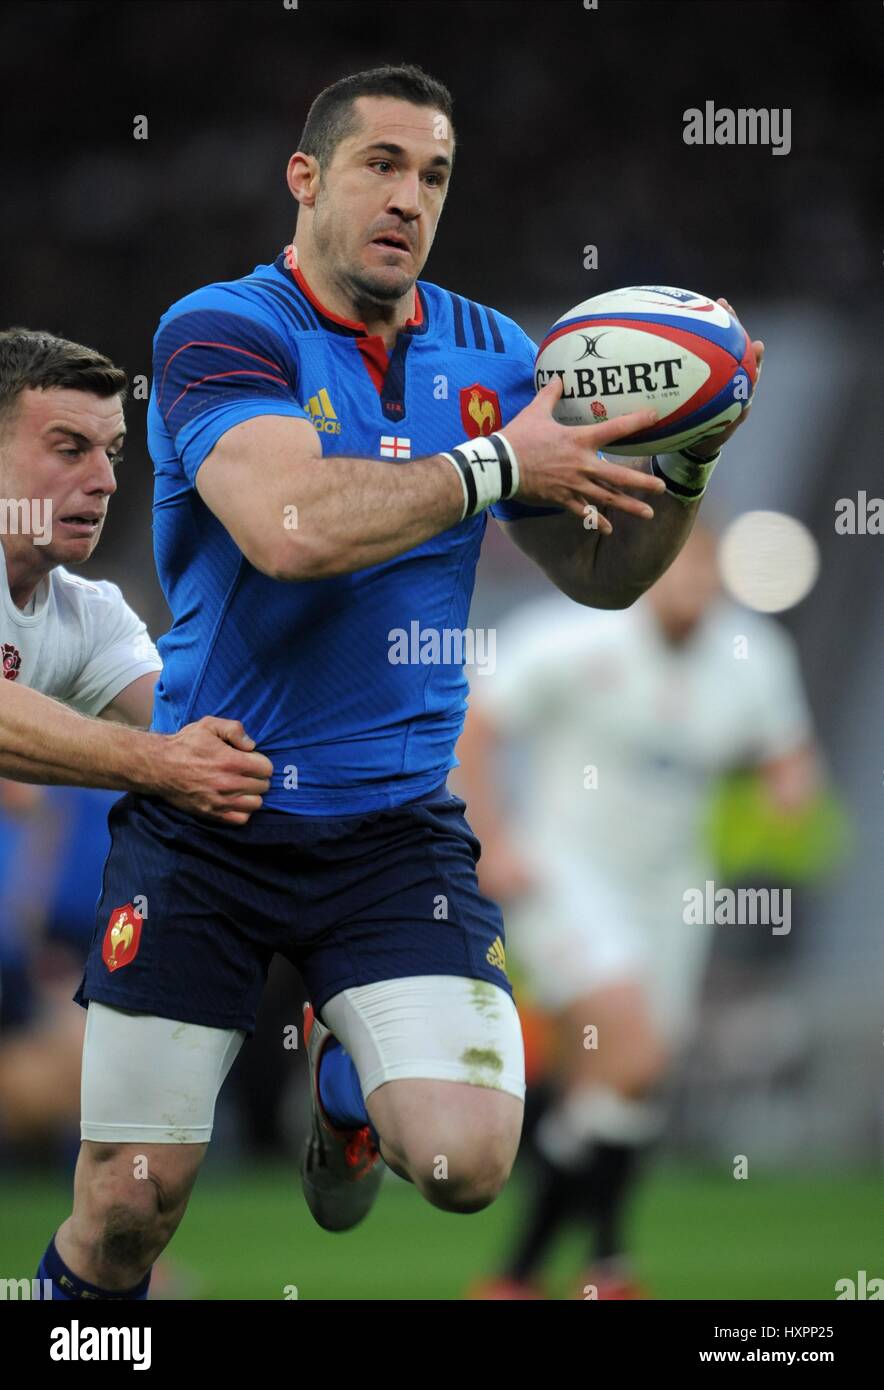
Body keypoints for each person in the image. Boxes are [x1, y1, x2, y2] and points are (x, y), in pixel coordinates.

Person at [42, 63, 761, 1301]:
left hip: (391, 833)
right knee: (126, 1207)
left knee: (468, 1162)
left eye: (432, 175)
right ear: (306, 177)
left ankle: (345, 1094)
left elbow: (602, 576)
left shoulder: (494, 349)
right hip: (207, 810)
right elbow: (285, 526)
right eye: (380, 165)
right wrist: (491, 462)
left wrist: (683, 460)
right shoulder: (222, 327)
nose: (408, 198)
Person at [456, 525, 821, 1298]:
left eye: (707, 568)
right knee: (634, 1050)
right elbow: (477, 721)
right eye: (679, 563)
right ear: (650, 562)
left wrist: (792, 784)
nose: (693, 585)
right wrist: (490, 837)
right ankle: (536, 1272)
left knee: (623, 1086)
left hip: (673, 890)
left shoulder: (754, 655)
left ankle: (588, 1269)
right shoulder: (572, 635)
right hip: (569, 875)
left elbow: (787, 749)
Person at [0, 327, 273, 824]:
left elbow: (198, 728)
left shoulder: (92, 615)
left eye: (113, 453)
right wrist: (159, 764)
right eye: (70, 450)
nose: (105, 481)